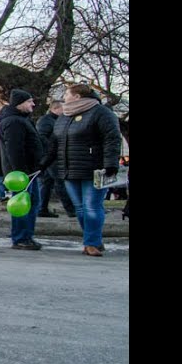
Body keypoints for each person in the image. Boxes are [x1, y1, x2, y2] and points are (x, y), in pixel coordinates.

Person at [43, 84, 122, 257]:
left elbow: (112, 139)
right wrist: (44, 162)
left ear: (77, 96)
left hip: (95, 169)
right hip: (69, 170)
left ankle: (91, 243)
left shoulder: (101, 112)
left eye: (66, 93)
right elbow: (55, 142)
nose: (64, 96)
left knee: (92, 207)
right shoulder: (65, 115)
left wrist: (111, 164)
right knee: (79, 209)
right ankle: (93, 239)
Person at [0, 88, 45, 250]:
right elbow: (14, 149)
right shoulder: (14, 122)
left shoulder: (20, 119)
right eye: (29, 101)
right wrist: (22, 172)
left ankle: (25, 236)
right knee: (23, 205)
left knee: (31, 204)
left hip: (27, 172)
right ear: (20, 104)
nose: (33, 104)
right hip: (22, 174)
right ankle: (21, 237)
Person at [35, 99, 76, 219]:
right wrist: (54, 150)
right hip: (51, 157)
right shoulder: (47, 121)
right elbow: (42, 137)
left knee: (47, 184)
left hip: (50, 156)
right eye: (63, 109)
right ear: (56, 109)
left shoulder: (54, 120)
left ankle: (42, 208)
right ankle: (70, 209)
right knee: (60, 182)